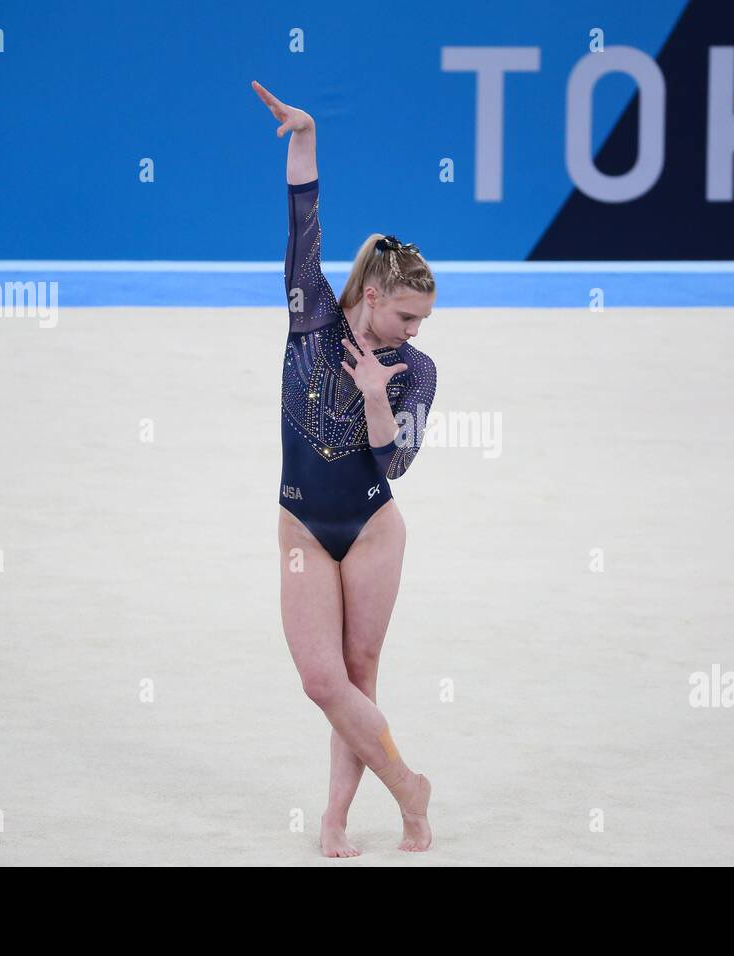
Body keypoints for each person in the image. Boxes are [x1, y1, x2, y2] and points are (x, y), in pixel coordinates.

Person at [252, 79, 439, 855]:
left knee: (360, 673)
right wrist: (306, 135)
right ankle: (408, 785)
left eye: (423, 321)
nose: (414, 331)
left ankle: (334, 820)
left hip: (370, 527)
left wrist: (373, 397)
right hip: (302, 522)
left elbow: (394, 462)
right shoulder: (310, 316)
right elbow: (303, 219)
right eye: (405, 315)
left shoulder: (415, 373)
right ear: (368, 294)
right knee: (322, 682)